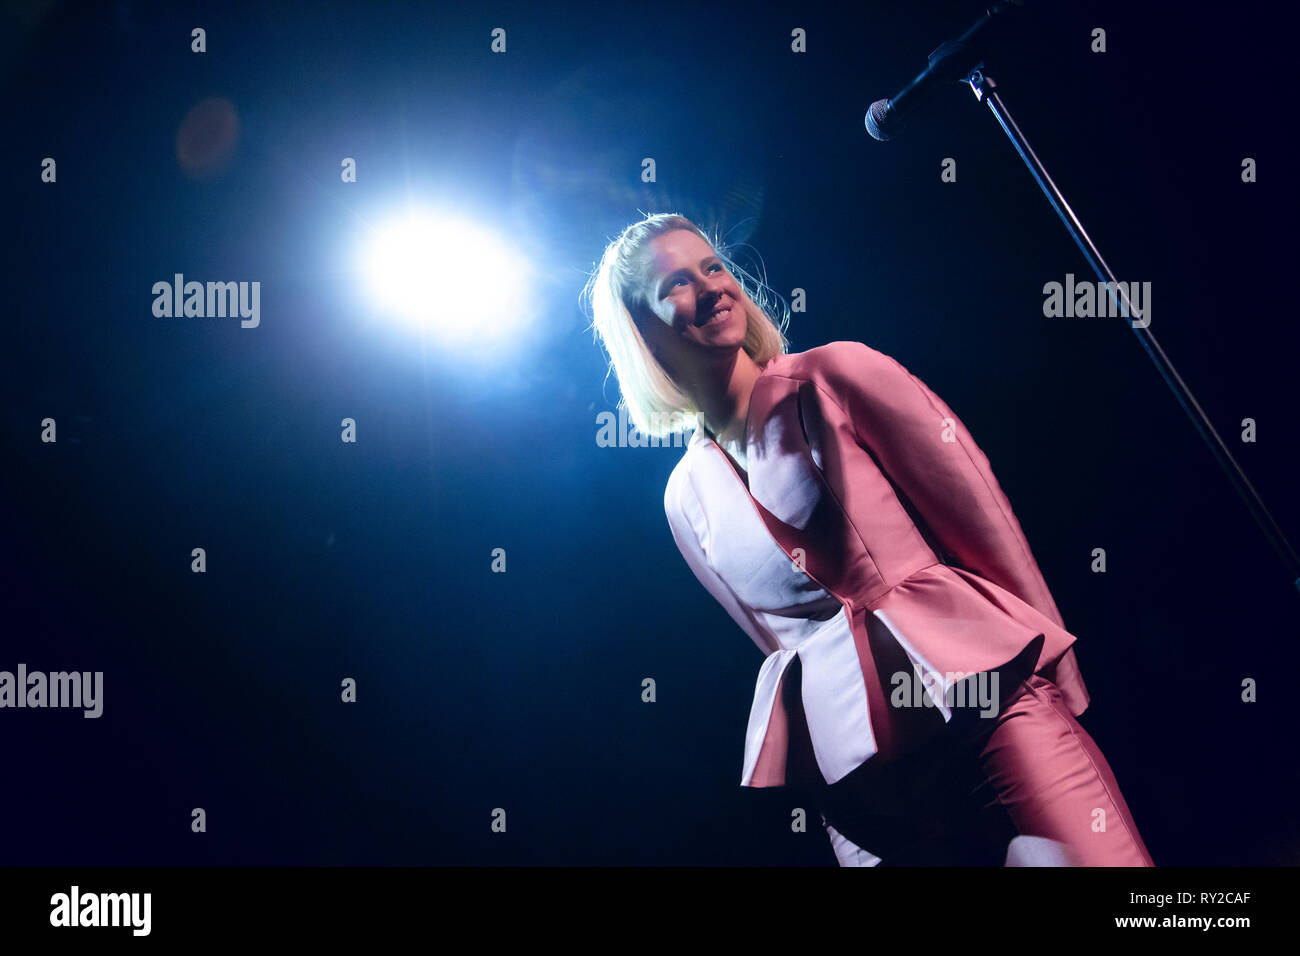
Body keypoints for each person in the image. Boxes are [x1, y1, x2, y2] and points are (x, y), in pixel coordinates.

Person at [585, 212, 1154, 866]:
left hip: (983, 703)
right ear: (642, 329)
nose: (713, 287)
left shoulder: (835, 374)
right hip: (863, 782)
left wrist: (1055, 663)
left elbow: (979, 518)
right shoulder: (684, 497)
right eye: (677, 284)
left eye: (713, 266)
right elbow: (776, 649)